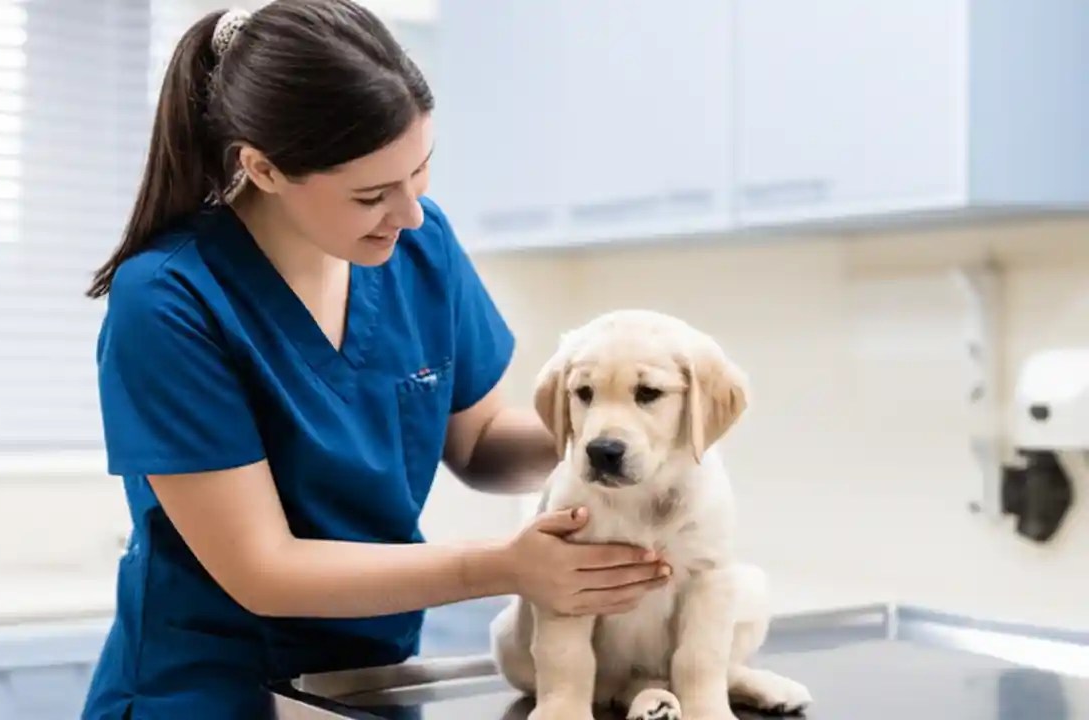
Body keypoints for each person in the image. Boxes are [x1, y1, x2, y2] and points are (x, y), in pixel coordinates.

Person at [81, 1, 672, 717]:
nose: (411, 212)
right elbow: (264, 570)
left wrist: (609, 430)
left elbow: (480, 442)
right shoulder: (169, 300)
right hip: (212, 691)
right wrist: (505, 567)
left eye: (420, 171)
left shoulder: (420, 246)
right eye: (372, 194)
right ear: (263, 170)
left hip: (368, 684)